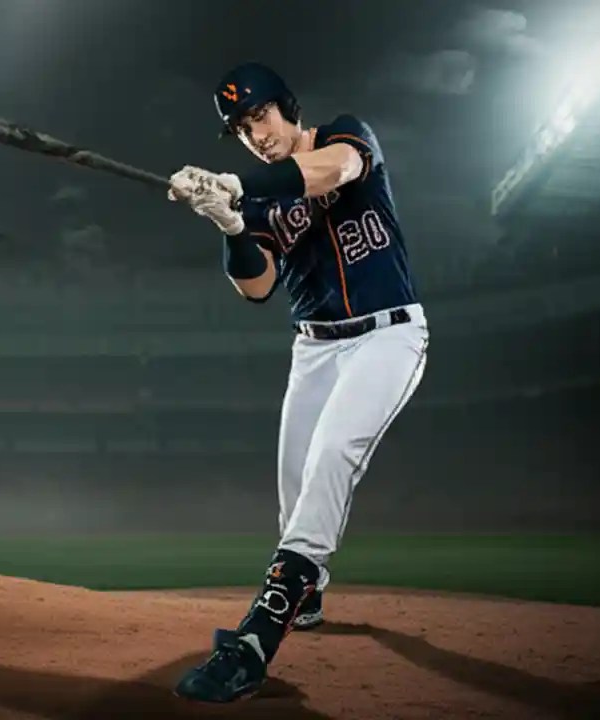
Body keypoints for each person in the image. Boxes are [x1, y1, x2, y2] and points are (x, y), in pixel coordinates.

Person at [168, 62, 429, 703]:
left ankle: (257, 639)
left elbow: (332, 172)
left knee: (331, 460)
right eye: (241, 128)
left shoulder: (343, 136)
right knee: (294, 487)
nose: (255, 133)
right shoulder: (257, 195)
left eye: (260, 115)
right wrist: (229, 222)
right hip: (313, 349)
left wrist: (238, 182)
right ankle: (308, 592)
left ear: (288, 107)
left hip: (386, 334)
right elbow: (256, 286)